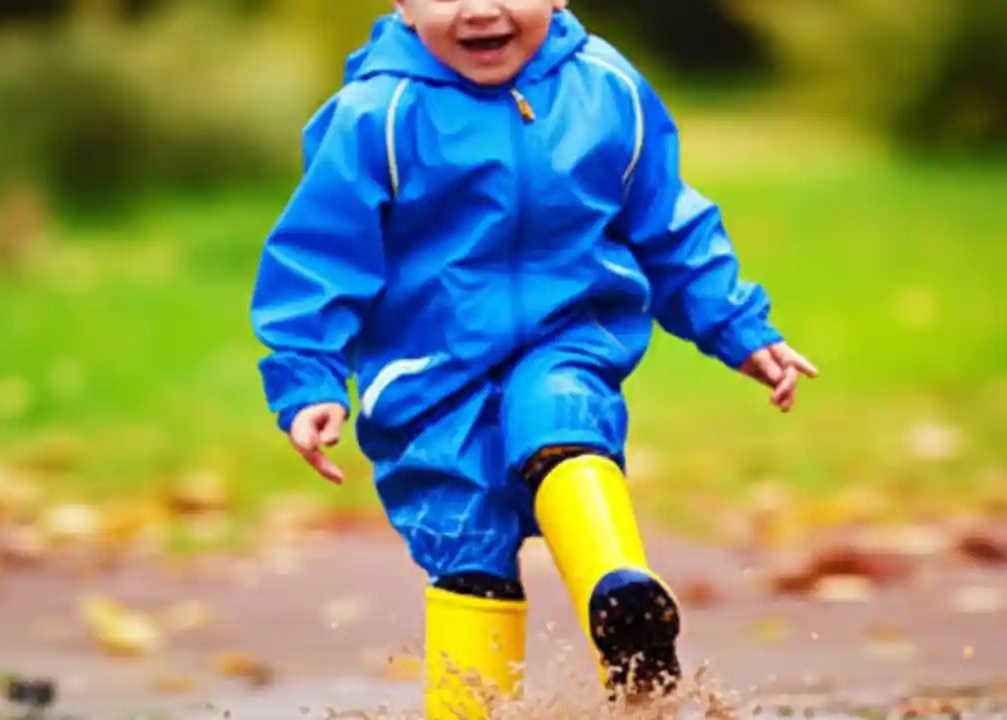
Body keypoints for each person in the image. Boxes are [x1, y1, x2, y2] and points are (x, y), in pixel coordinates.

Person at [248, 1, 818, 717]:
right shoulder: (376, 114)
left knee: (560, 419)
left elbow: (668, 221)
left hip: (567, 334)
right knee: (466, 550)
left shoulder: (604, 89)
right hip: (430, 380)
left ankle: (624, 604)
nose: (481, 9)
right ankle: (469, 710)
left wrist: (737, 324)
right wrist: (309, 378)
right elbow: (321, 256)